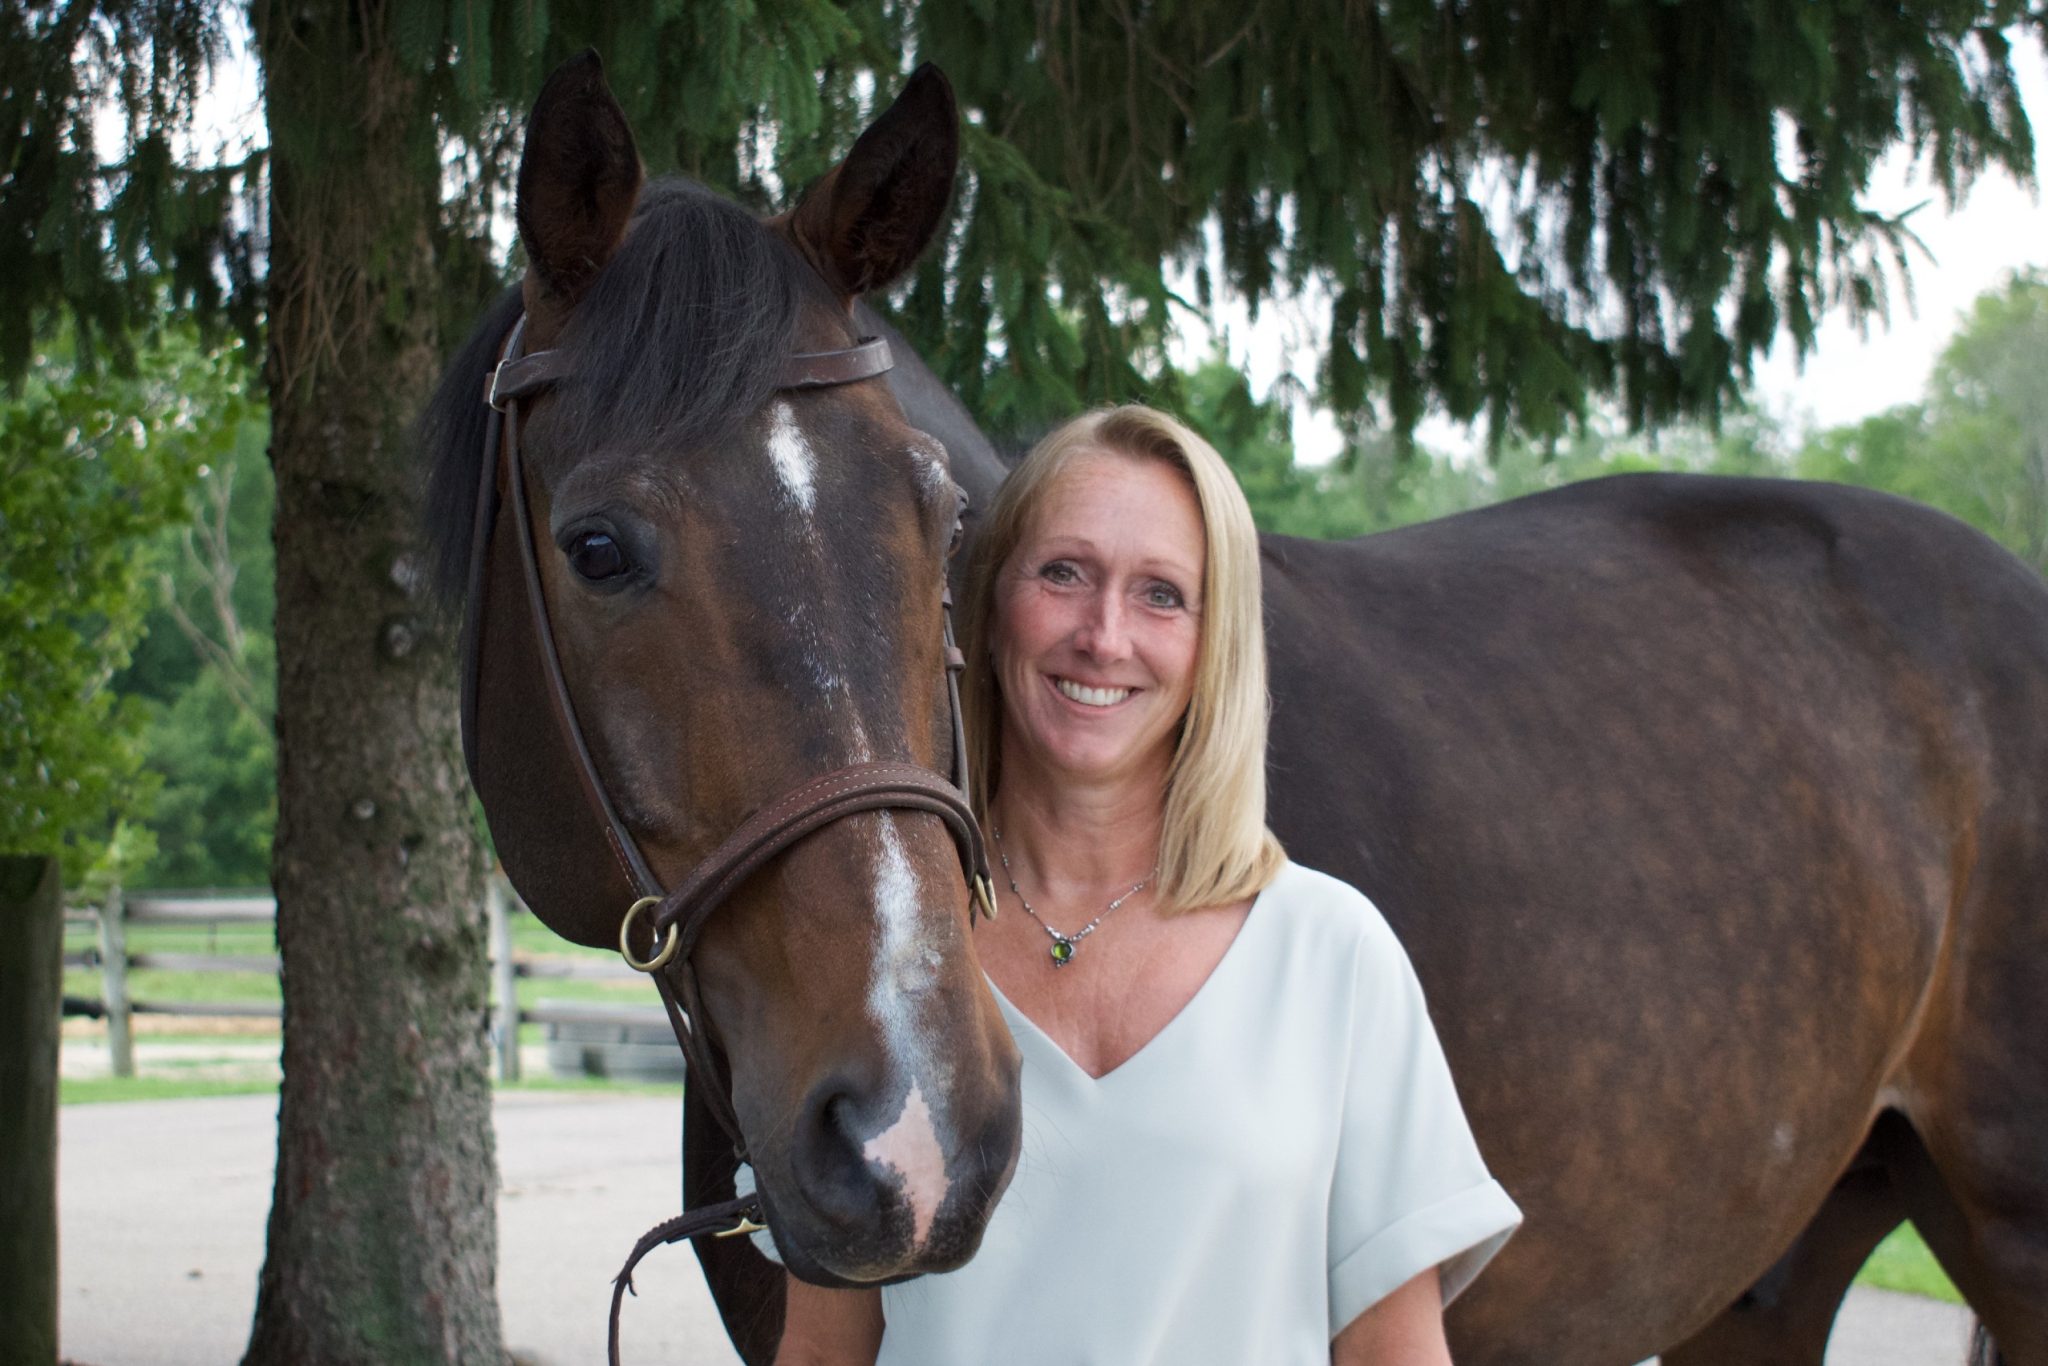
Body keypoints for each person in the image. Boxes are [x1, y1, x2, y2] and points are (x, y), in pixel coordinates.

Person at [776, 405, 1520, 1365]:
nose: (1104, 635)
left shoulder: (1334, 958)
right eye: (1064, 573)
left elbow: (1396, 1354)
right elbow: (822, 1355)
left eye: (1162, 595)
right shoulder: (874, 959)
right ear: (991, 600)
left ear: (1216, 646)